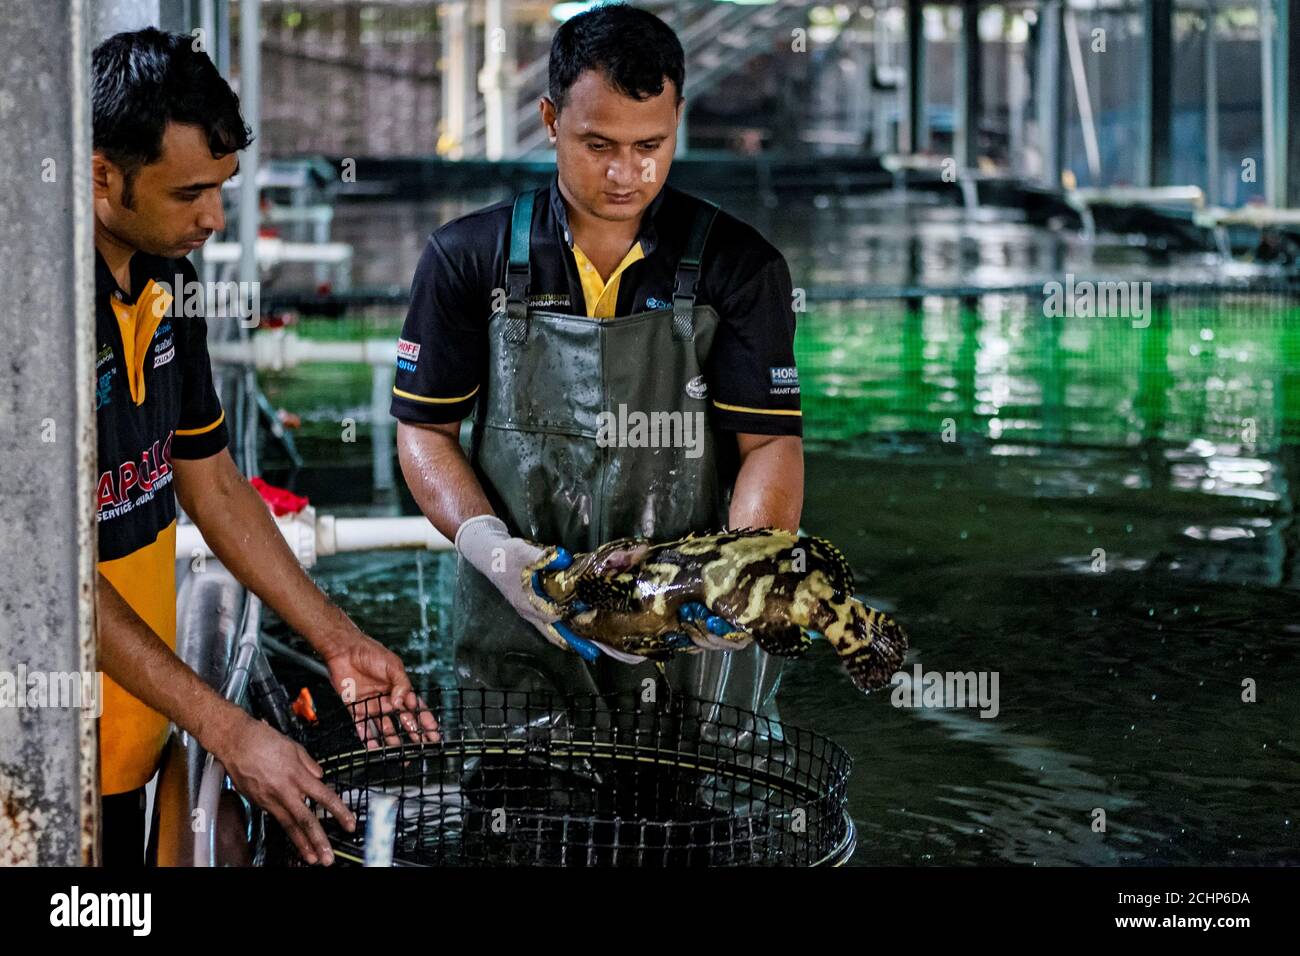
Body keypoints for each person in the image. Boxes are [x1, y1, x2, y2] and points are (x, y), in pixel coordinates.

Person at [393, 3, 804, 738]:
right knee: (518, 826)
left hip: (685, 635)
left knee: (694, 833)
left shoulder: (741, 268)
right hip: (518, 630)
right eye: (598, 144)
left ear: (679, 116)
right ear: (550, 119)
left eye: (652, 143)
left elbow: (769, 443)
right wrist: (498, 554)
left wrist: (743, 572)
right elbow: (425, 429)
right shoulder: (465, 257)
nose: (627, 172)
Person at [91, 29, 437, 867]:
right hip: (36, 742)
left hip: (129, 733)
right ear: (100, 173)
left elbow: (209, 480)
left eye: (222, 188)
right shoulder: (37, 308)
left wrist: (339, 641)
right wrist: (229, 729)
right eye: (190, 193)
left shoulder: (169, 279)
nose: (214, 218)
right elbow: (38, 579)